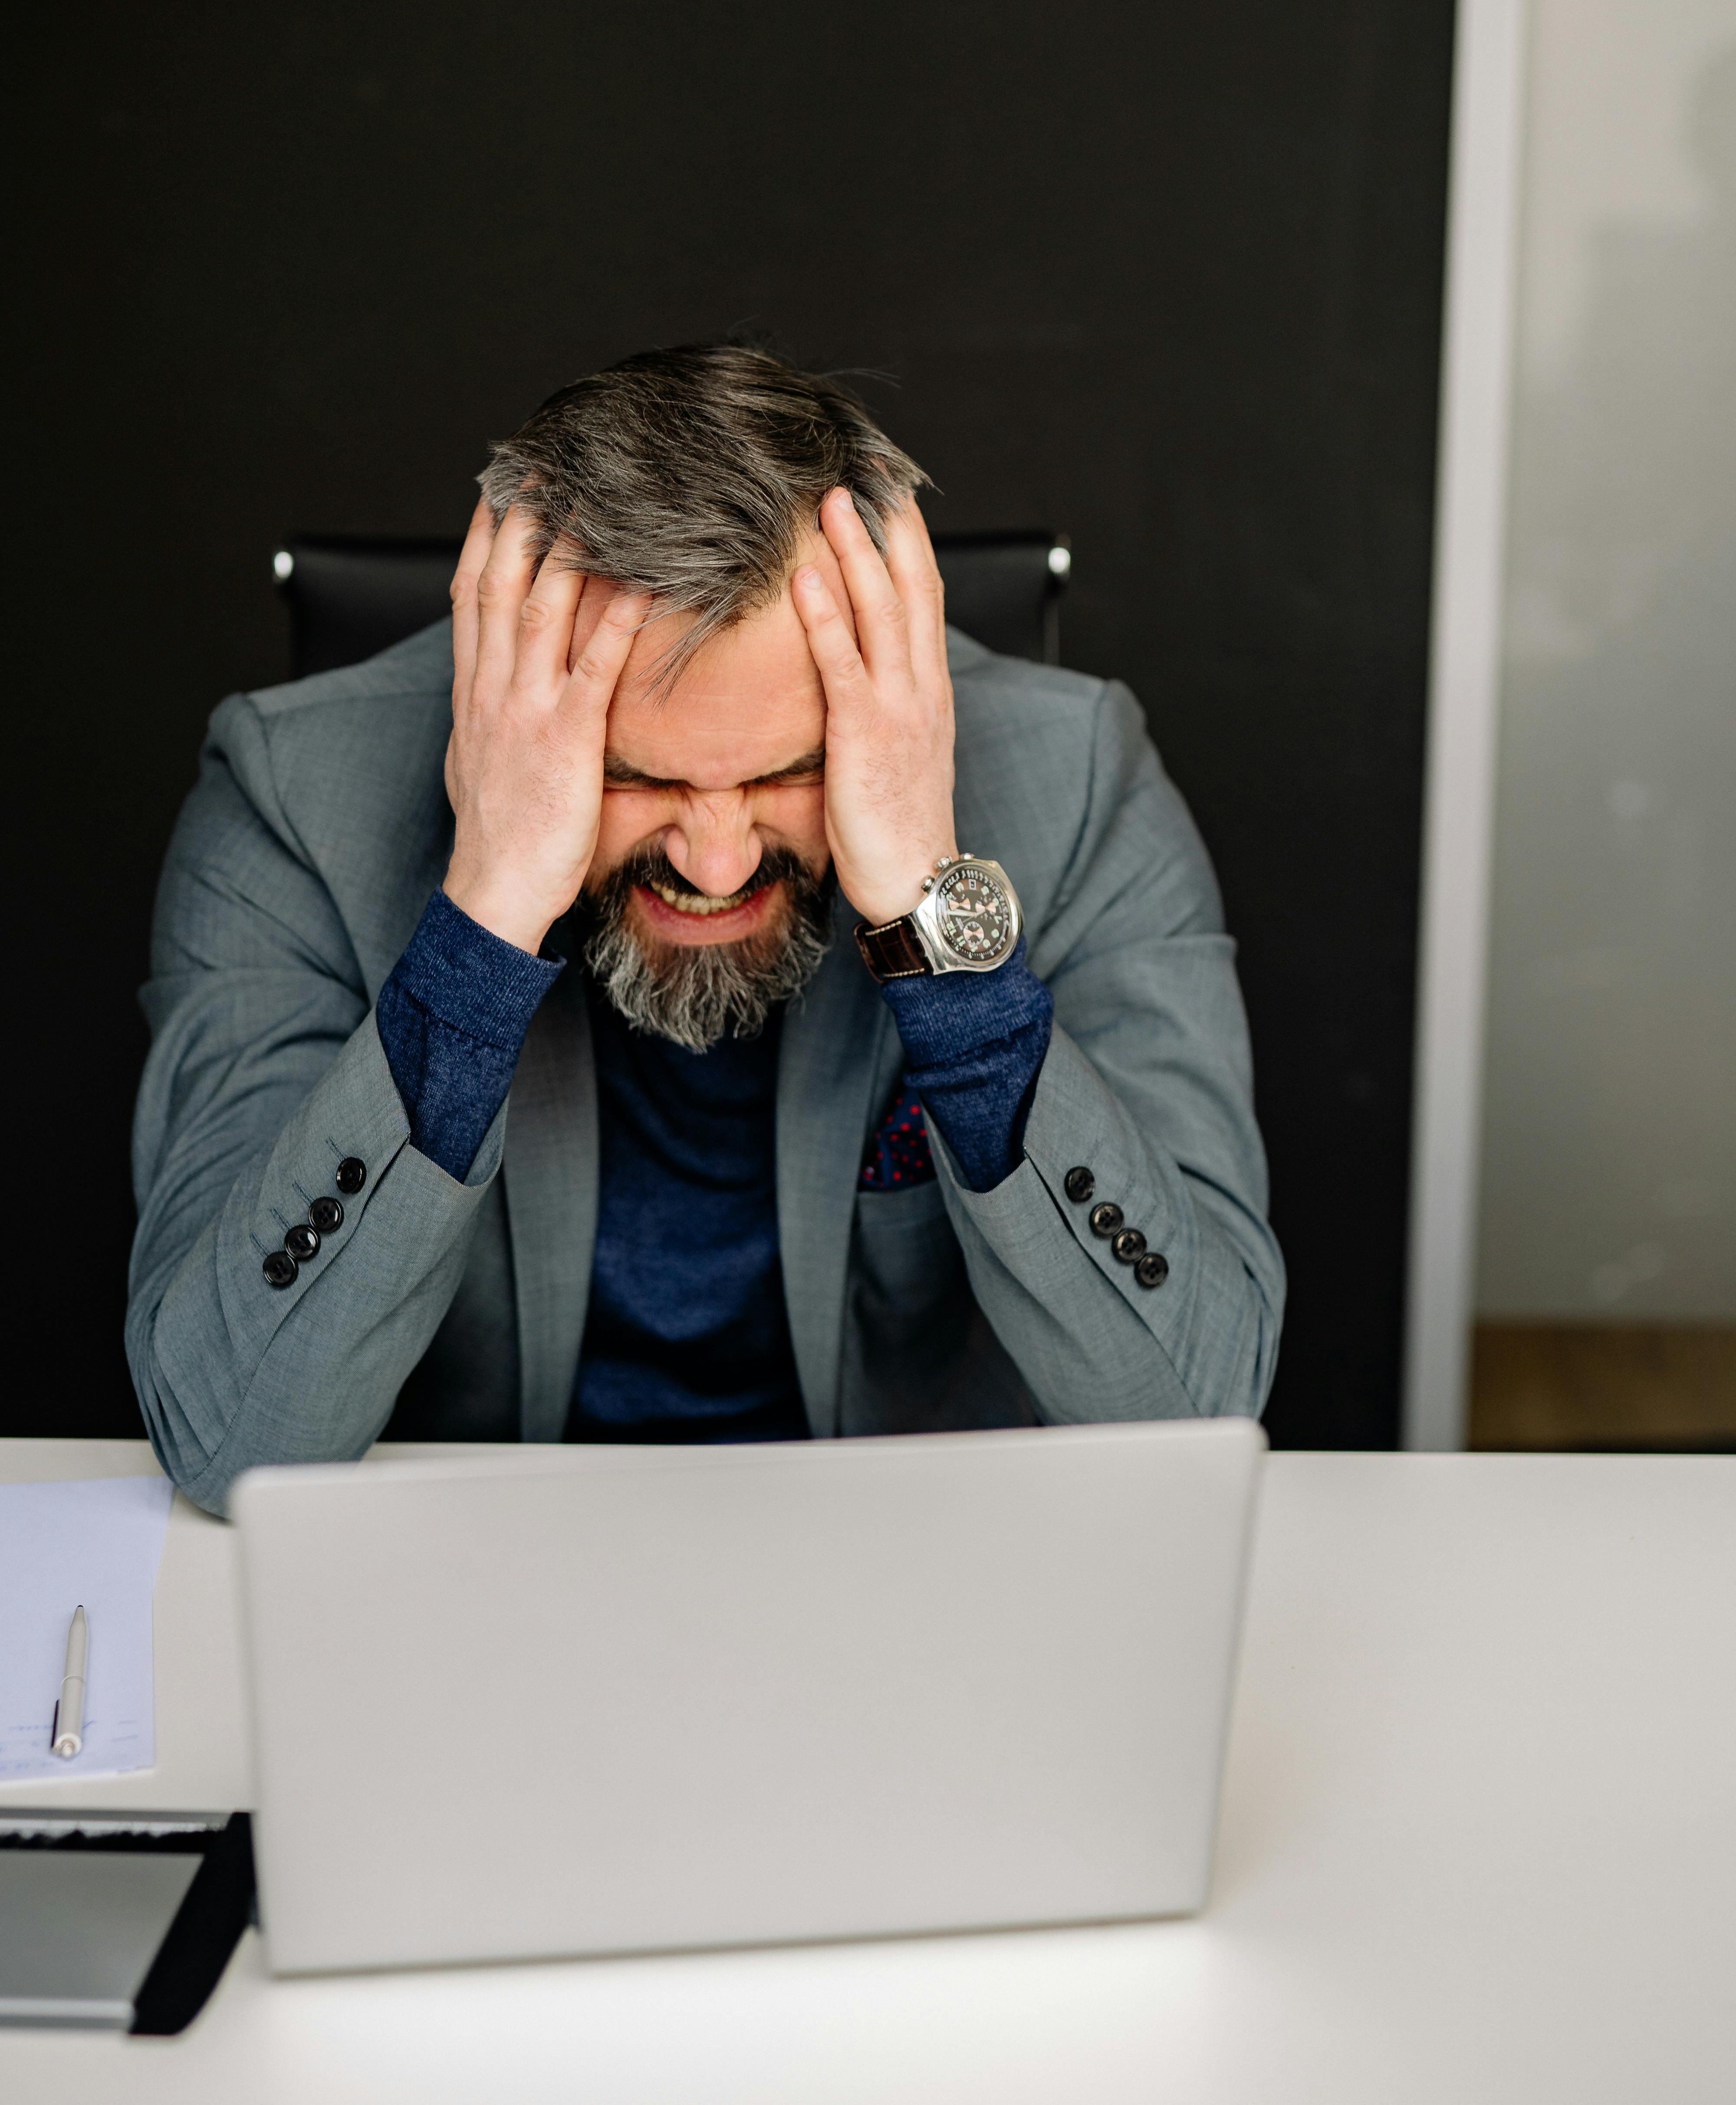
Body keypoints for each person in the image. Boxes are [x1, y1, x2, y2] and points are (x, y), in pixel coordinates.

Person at [128, 345, 1283, 1512]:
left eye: (788, 772)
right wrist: (484, 915)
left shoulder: (1079, 782)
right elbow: (230, 1438)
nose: (716, 860)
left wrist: (943, 944)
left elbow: (1193, 1412)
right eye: (639, 778)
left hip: (911, 1585)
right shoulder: (289, 796)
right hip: (476, 1582)